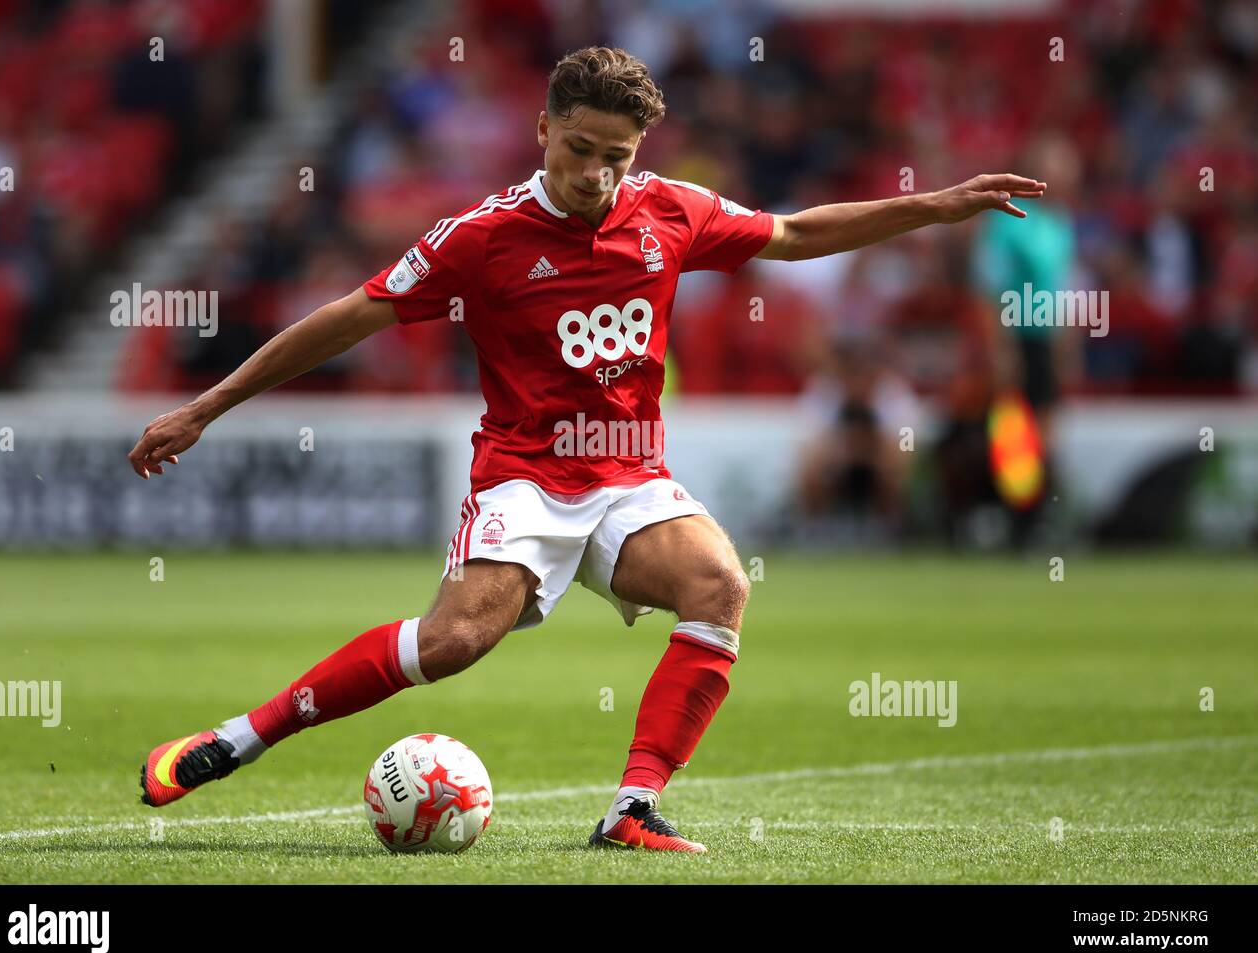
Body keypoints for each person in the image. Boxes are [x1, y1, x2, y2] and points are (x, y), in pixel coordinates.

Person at [127, 46, 1043, 853]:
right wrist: (208, 407)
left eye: (617, 157)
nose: (597, 174)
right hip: (524, 477)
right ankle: (235, 739)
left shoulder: (669, 211)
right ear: (543, 130)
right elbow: (350, 318)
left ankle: (633, 810)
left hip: (629, 478)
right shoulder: (480, 239)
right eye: (581, 150)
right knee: (452, 643)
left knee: (720, 585)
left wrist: (935, 205)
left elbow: (795, 234)